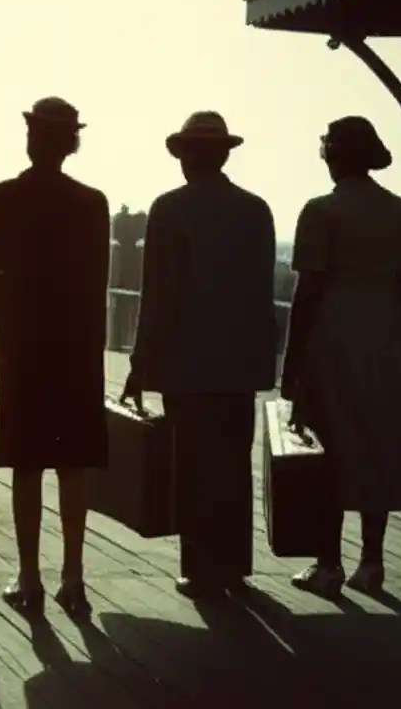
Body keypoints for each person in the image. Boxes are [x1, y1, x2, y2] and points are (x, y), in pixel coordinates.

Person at [123, 112, 278, 600]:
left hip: (186, 364)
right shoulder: (256, 210)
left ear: (187, 156)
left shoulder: (170, 209)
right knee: (233, 465)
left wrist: (139, 365)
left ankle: (200, 570)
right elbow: (261, 293)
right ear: (225, 155)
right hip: (238, 365)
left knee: (192, 467)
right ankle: (234, 568)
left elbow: (158, 296)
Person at [0, 97, 110, 616]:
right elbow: (97, 283)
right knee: (74, 464)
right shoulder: (92, 203)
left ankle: (28, 576)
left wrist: (8, 319)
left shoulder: (0, 198)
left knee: (26, 463)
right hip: (76, 348)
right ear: (72, 143)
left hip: (24, 347)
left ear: (30, 138)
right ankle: (73, 575)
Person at [280, 116, 401, 599]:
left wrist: (291, 366)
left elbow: (308, 294)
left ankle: (328, 564)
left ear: (334, 155)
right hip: (388, 345)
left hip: (333, 344)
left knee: (330, 454)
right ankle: (372, 561)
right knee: (375, 448)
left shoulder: (320, 212)